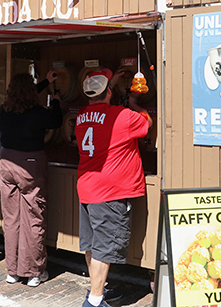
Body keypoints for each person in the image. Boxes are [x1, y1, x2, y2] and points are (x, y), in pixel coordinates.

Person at [75, 68, 152, 307]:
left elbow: (102, 115)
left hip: (88, 187)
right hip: (110, 191)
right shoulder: (124, 116)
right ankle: (96, 301)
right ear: (108, 91)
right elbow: (147, 123)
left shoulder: (80, 116)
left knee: (92, 245)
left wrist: (114, 86)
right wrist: (134, 102)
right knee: (103, 248)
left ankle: (95, 292)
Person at [0, 71, 62, 287]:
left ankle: (12, 271)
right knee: (34, 217)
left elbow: (22, 95)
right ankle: (34, 272)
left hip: (6, 163)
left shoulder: (4, 109)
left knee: (11, 219)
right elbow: (56, 121)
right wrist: (55, 100)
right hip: (30, 166)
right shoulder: (37, 113)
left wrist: (46, 81)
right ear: (31, 91)